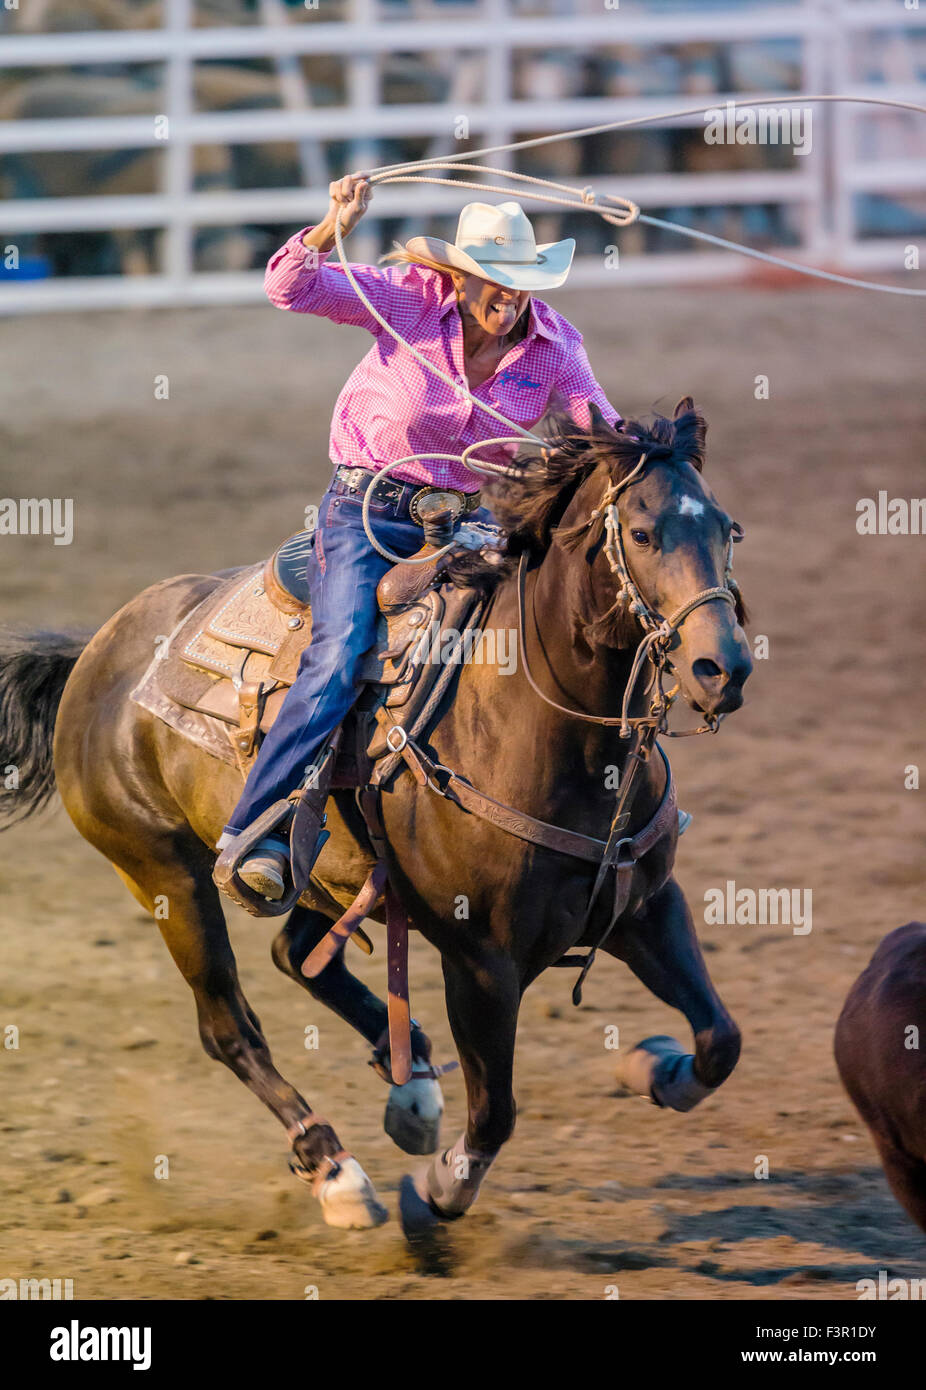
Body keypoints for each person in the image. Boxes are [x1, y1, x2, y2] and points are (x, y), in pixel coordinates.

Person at [215, 172, 623, 903]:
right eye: (493, 279)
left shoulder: (555, 346)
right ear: (457, 275)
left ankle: (584, 808)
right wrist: (330, 223)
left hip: (472, 516)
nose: (510, 295)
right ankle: (262, 825)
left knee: (548, 630)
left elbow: (601, 429)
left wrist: (648, 465)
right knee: (340, 652)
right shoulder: (406, 300)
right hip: (368, 509)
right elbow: (289, 287)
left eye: (521, 280)